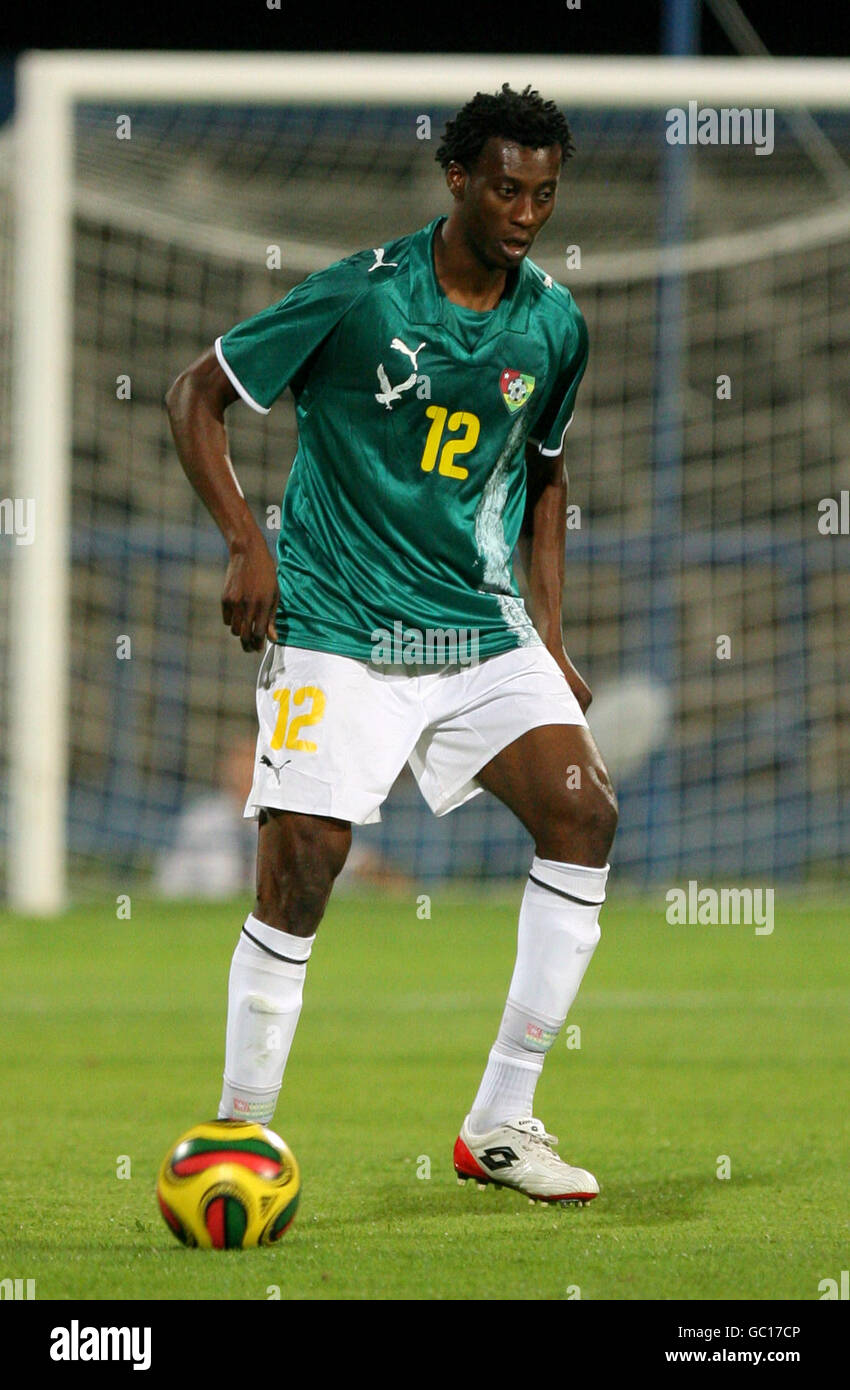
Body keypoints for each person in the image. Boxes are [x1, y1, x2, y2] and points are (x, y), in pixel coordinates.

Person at [165, 83, 618, 1206]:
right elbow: (194, 395)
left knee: (584, 808)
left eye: (544, 193)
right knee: (303, 866)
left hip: (476, 622)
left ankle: (501, 1123)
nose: (524, 212)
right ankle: (240, 1135)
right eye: (506, 188)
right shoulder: (362, 295)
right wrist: (244, 545)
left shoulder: (554, 323)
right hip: (337, 625)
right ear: (457, 180)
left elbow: (546, 477)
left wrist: (549, 641)